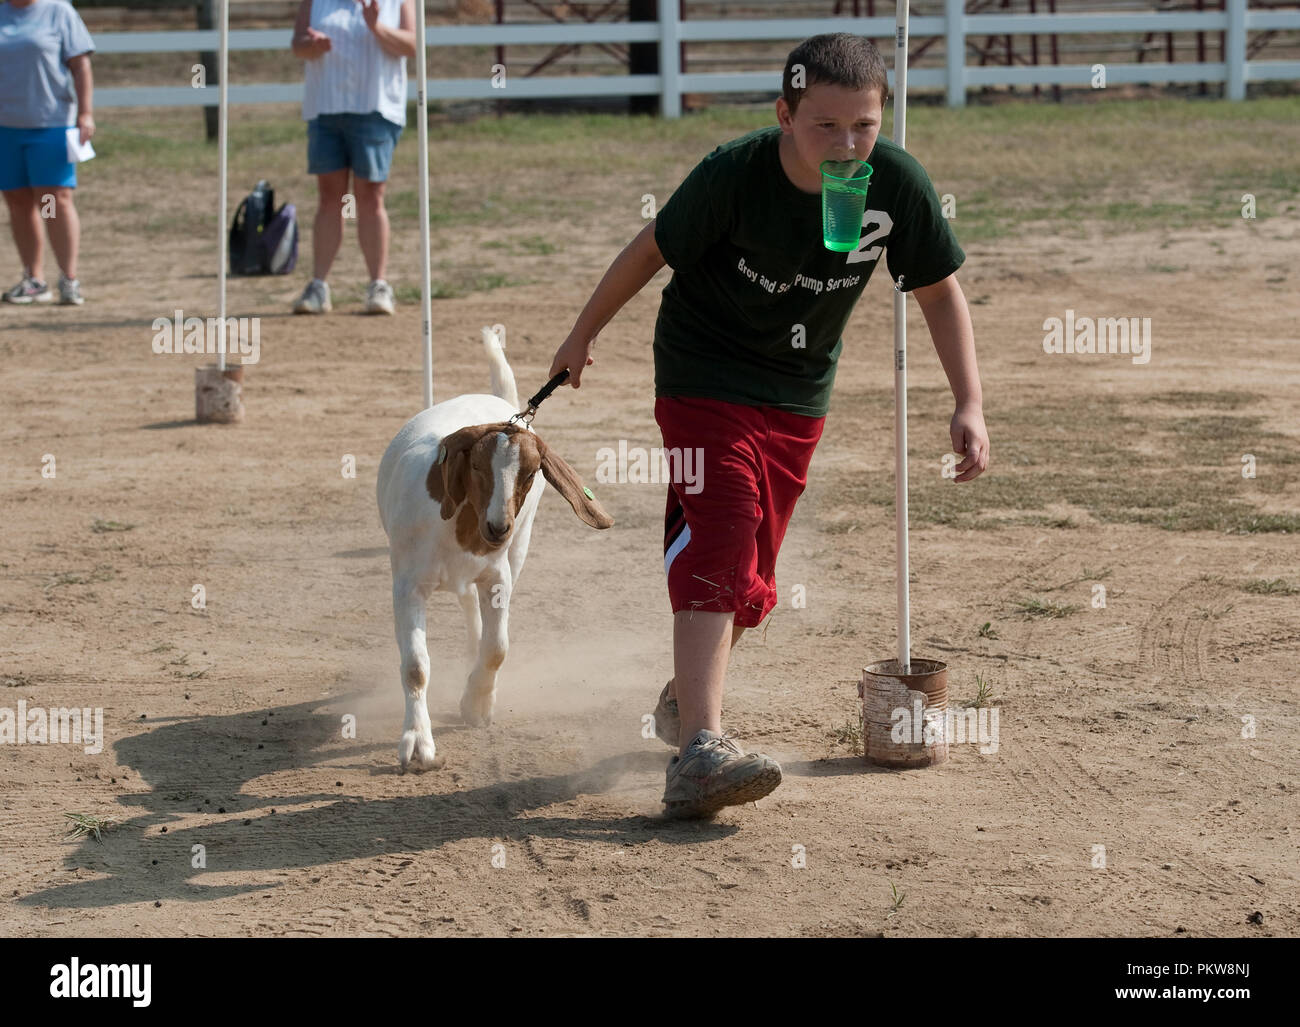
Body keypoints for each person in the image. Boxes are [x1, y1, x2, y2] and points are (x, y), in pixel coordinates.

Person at [548, 33, 990, 820]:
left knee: (752, 573)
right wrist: (583, 334)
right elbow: (651, 248)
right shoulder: (733, 174)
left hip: (796, 392)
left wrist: (969, 402)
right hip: (701, 373)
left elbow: (938, 292)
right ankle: (701, 753)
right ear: (785, 115)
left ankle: (685, 703)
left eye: (864, 125)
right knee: (725, 527)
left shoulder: (896, 184)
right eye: (825, 127)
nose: (847, 145)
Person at [290, 0, 415, 315]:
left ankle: (378, 285)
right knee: (329, 197)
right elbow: (298, 46)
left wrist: (377, 27)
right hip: (326, 106)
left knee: (370, 195)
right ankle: (318, 286)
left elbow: (413, 46)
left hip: (375, 106)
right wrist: (312, 45)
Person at [0, 0, 94, 306]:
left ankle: (68, 278)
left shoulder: (58, 11)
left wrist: (86, 113)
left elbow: (80, 66)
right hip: (6, 127)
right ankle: (34, 279)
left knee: (52, 200)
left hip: (50, 124)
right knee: (17, 200)